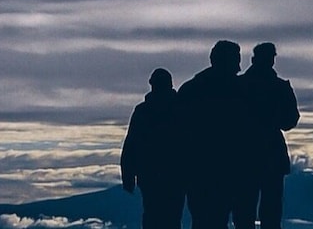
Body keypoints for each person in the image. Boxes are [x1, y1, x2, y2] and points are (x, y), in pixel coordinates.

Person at [179, 40, 247, 229]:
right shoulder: (243, 91)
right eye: (236, 61)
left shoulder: (190, 89)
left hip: (198, 168)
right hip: (229, 167)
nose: (239, 67)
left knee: (202, 219)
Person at [233, 42, 299, 229]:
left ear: (254, 60)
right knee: (271, 210)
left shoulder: (238, 85)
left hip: (243, 154)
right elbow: (290, 120)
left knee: (244, 209)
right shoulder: (280, 87)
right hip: (270, 154)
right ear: (272, 61)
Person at [121, 68, 185, 229]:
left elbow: (131, 144)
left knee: (152, 215)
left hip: (150, 175)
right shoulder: (181, 109)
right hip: (176, 174)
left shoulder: (142, 111)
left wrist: (128, 176)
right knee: (172, 216)